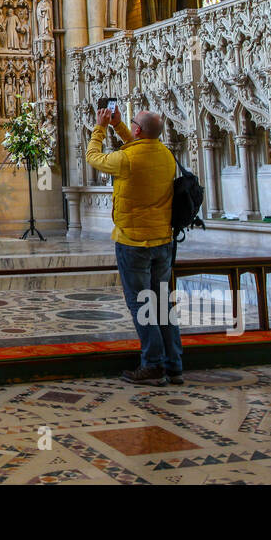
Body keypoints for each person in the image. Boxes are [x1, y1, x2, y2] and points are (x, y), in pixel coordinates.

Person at [85, 105, 183, 385]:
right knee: (162, 304)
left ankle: (152, 365)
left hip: (133, 242)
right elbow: (139, 147)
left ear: (138, 130)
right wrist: (120, 127)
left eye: (131, 123)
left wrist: (101, 127)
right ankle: (173, 365)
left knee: (141, 304)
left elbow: (93, 156)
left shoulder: (126, 160)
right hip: (163, 242)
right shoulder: (166, 155)